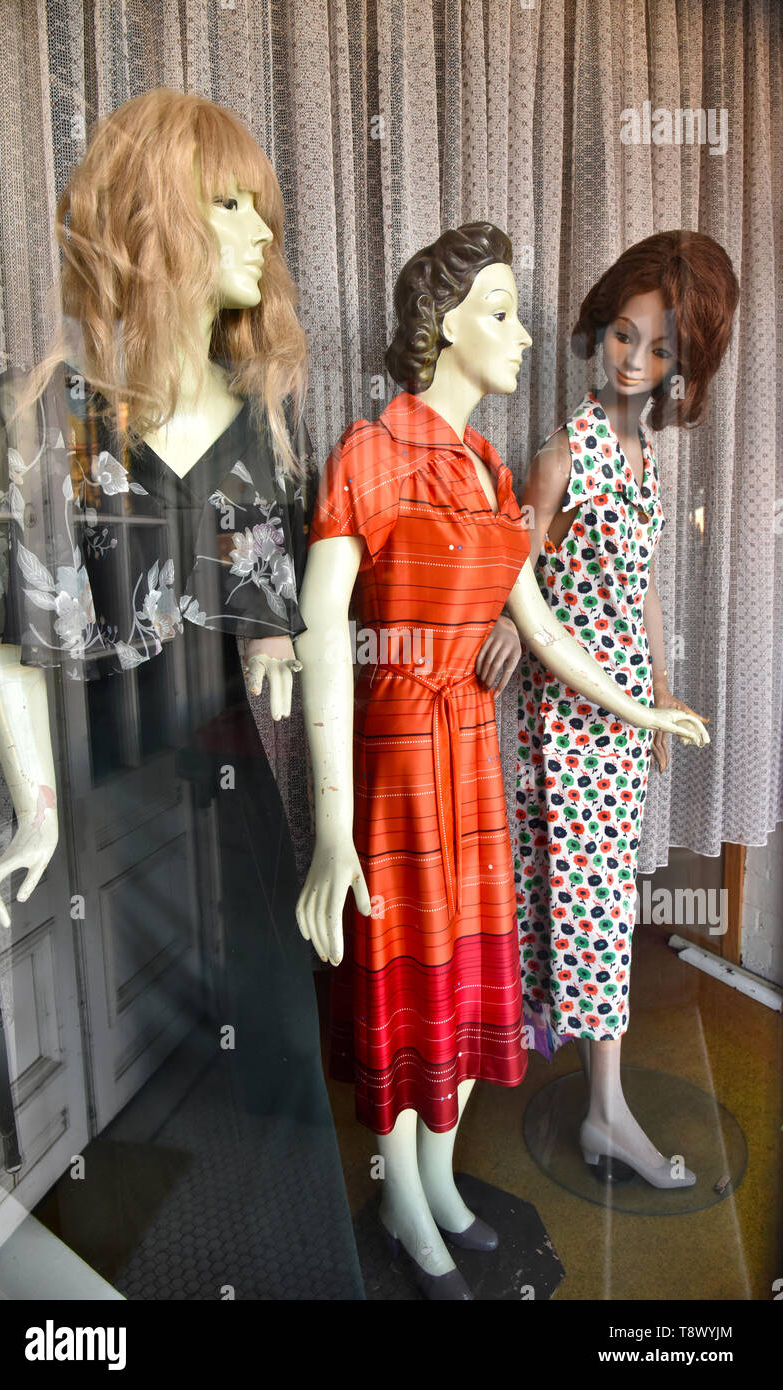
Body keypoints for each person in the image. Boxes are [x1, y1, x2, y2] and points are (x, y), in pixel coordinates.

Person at [0, 87, 363, 1299]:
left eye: (265, 209)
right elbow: (2, 640)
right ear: (153, 225)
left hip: (234, 808)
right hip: (98, 824)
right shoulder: (30, 422)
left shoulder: (265, 429)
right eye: (229, 205)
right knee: (130, 1128)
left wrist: (336, 815)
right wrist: (35, 814)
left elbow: (271, 637)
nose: (261, 234)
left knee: (280, 1086)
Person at [294, 223, 708, 1298]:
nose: (524, 334)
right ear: (439, 326)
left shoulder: (483, 469)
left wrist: (644, 706)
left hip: (471, 759)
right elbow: (322, 636)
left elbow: (543, 626)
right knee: (400, 985)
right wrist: (332, 827)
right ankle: (398, 1202)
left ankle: (437, 1184)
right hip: (393, 760)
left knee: (465, 982)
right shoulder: (366, 454)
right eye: (500, 310)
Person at [505, 230, 739, 1187]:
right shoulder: (566, 454)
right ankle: (602, 1112)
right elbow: (514, 570)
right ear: (599, 327)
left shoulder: (646, 459)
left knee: (603, 908)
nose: (634, 363)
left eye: (659, 352)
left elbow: (638, 584)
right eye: (622, 338)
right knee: (585, 909)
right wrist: (511, 629)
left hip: (624, 712)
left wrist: (661, 684)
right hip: (567, 716)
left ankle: (603, 1107)